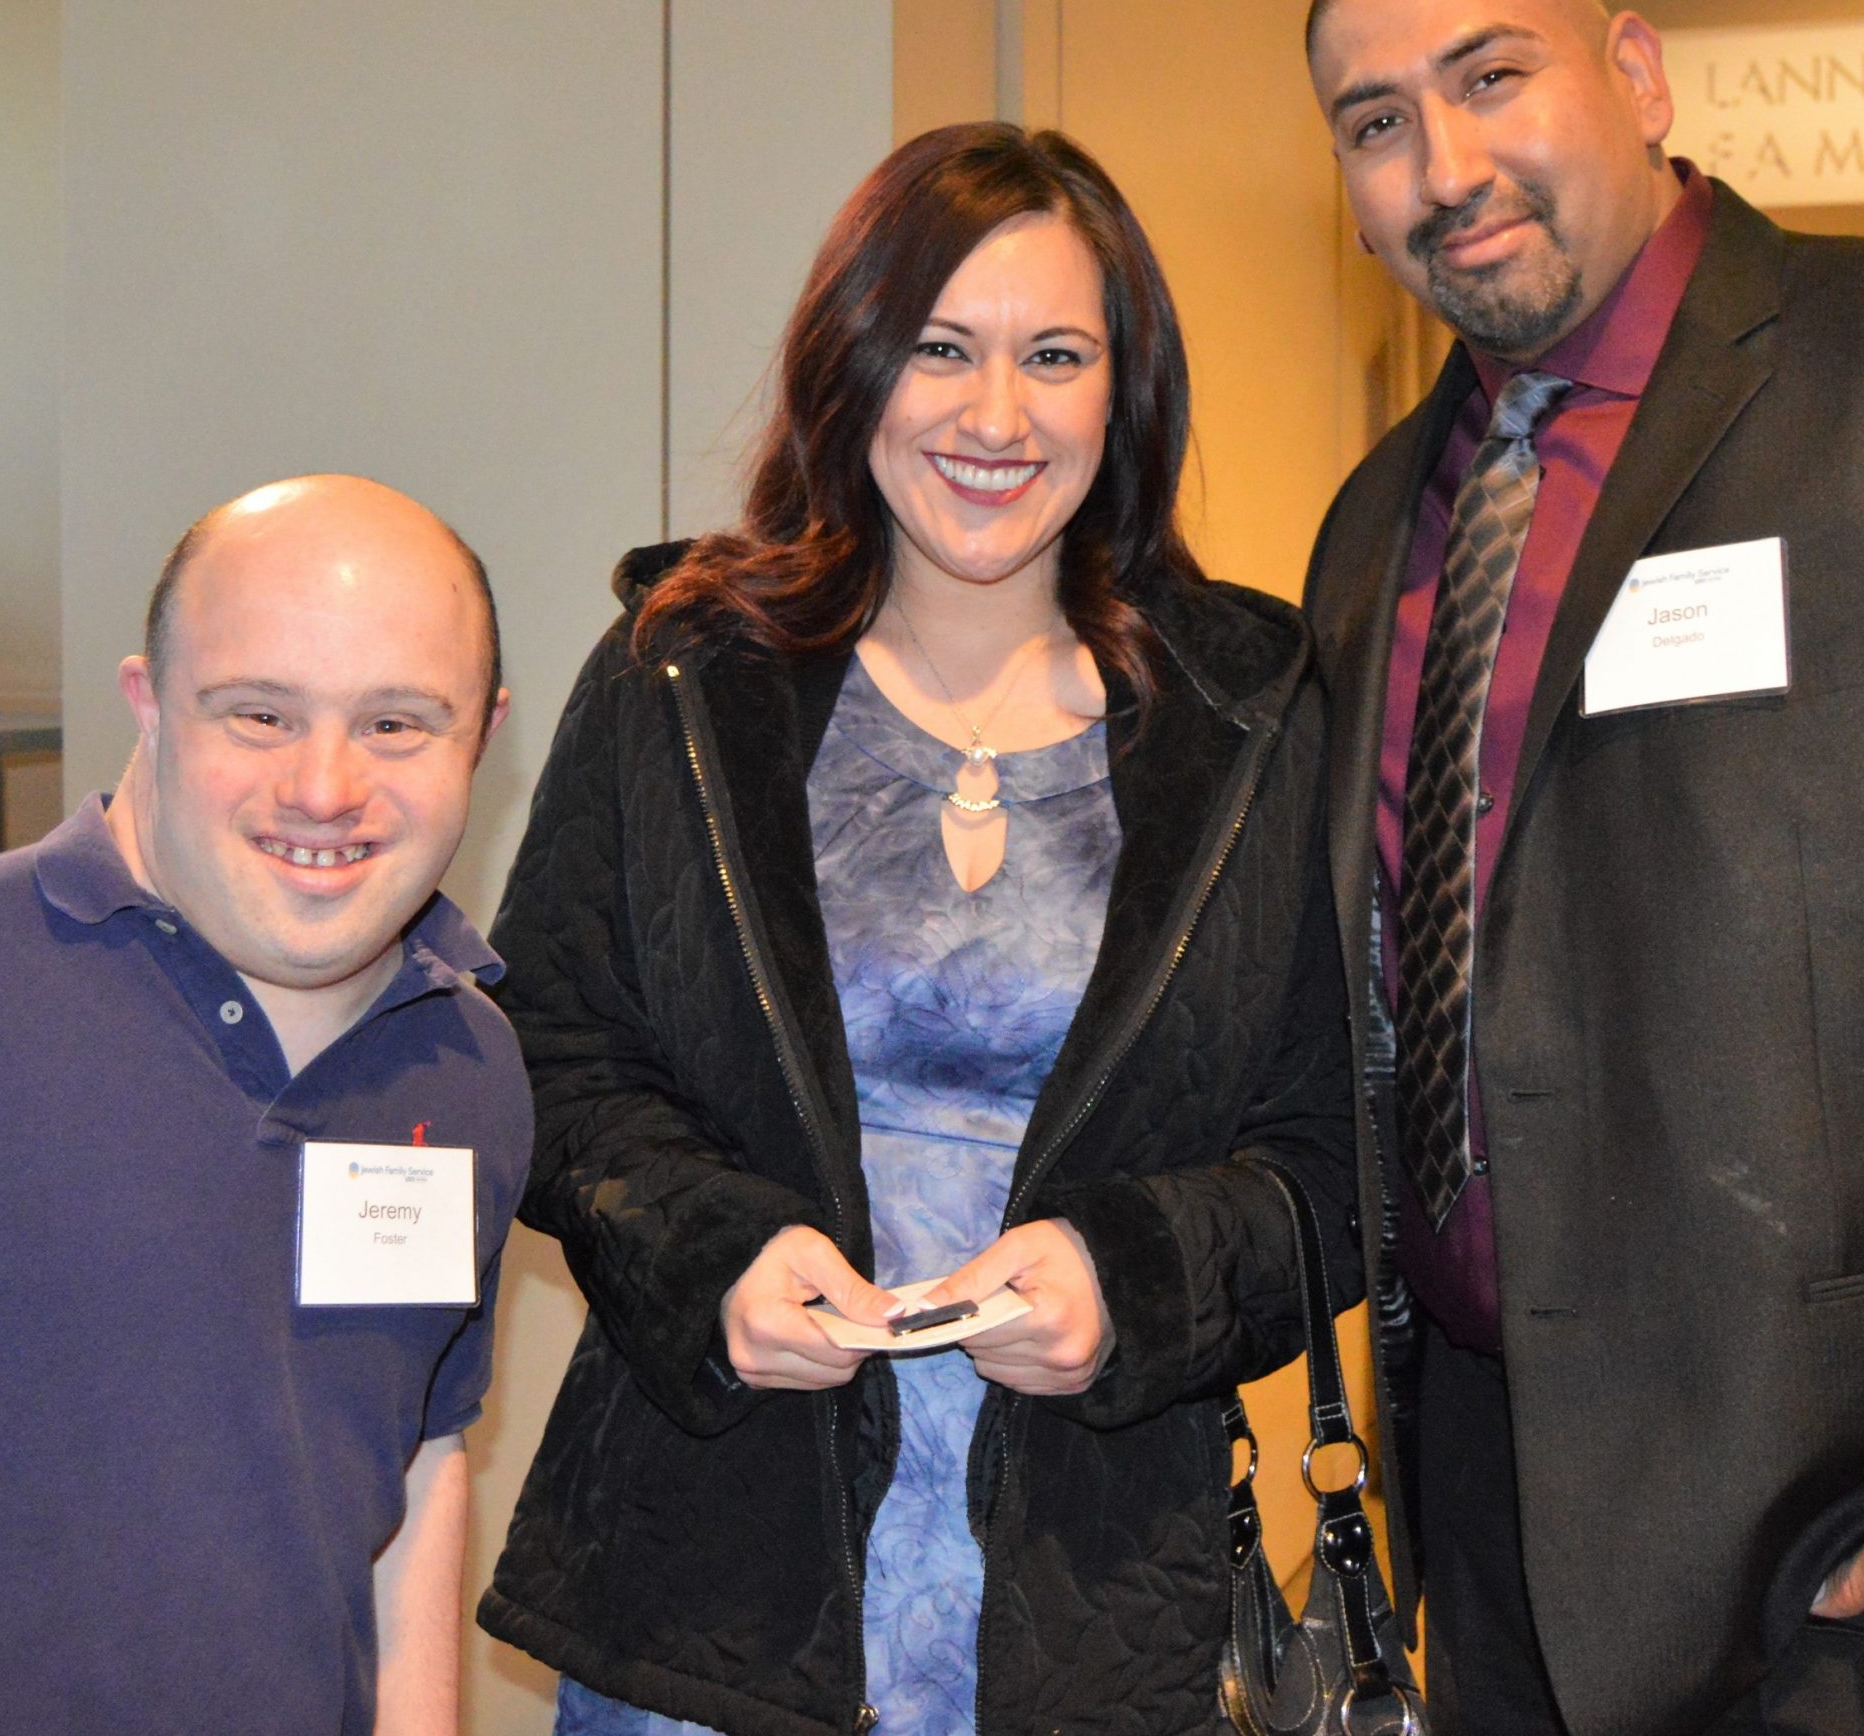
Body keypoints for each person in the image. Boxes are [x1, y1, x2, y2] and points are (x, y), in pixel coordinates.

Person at [476, 122, 1357, 1736]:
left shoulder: (1254, 713)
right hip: (715, 1574)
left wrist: (1133, 1272)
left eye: (1055, 354)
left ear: (1124, 390)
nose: (995, 414)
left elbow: (1333, 1153)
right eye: (940, 348)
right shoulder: (681, 672)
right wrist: (708, 1246)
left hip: (1091, 1594)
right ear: (853, 364)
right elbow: (547, 1048)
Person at [1300, 0, 1864, 1736]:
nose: (1441, 165)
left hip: (1859, 1542)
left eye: (1487, 75)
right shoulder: (1374, 528)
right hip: (1496, 1518)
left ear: (1633, 71)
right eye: (1374, 124)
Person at [0, 475, 532, 1736]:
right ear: (147, 704)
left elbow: (414, 1468)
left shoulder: (468, 1069)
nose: (324, 786)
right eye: (259, 712)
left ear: (482, 733)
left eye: (398, 723)